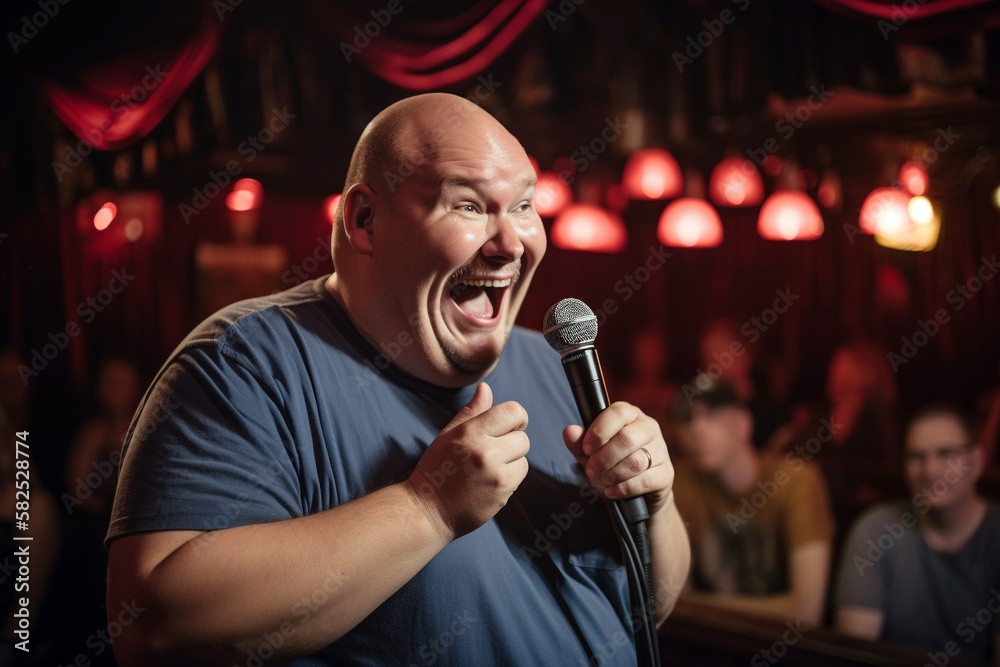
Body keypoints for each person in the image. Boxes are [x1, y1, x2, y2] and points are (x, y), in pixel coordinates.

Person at [105, 93, 690, 666]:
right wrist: (427, 508)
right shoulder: (245, 362)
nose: (511, 242)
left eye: (523, 206)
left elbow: (649, 606)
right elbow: (153, 628)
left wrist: (654, 502)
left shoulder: (551, 360)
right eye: (468, 206)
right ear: (365, 220)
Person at [834, 403, 1000, 663]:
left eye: (946, 453)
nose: (930, 470)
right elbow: (854, 657)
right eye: (916, 456)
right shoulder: (876, 530)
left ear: (977, 461)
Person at [672, 379, 834, 627]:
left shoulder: (795, 481)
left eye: (712, 414)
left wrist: (697, 603)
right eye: (687, 417)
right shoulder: (679, 483)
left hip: (783, 647)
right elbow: (670, 599)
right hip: (711, 643)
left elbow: (807, 611)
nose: (697, 427)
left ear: (744, 424)